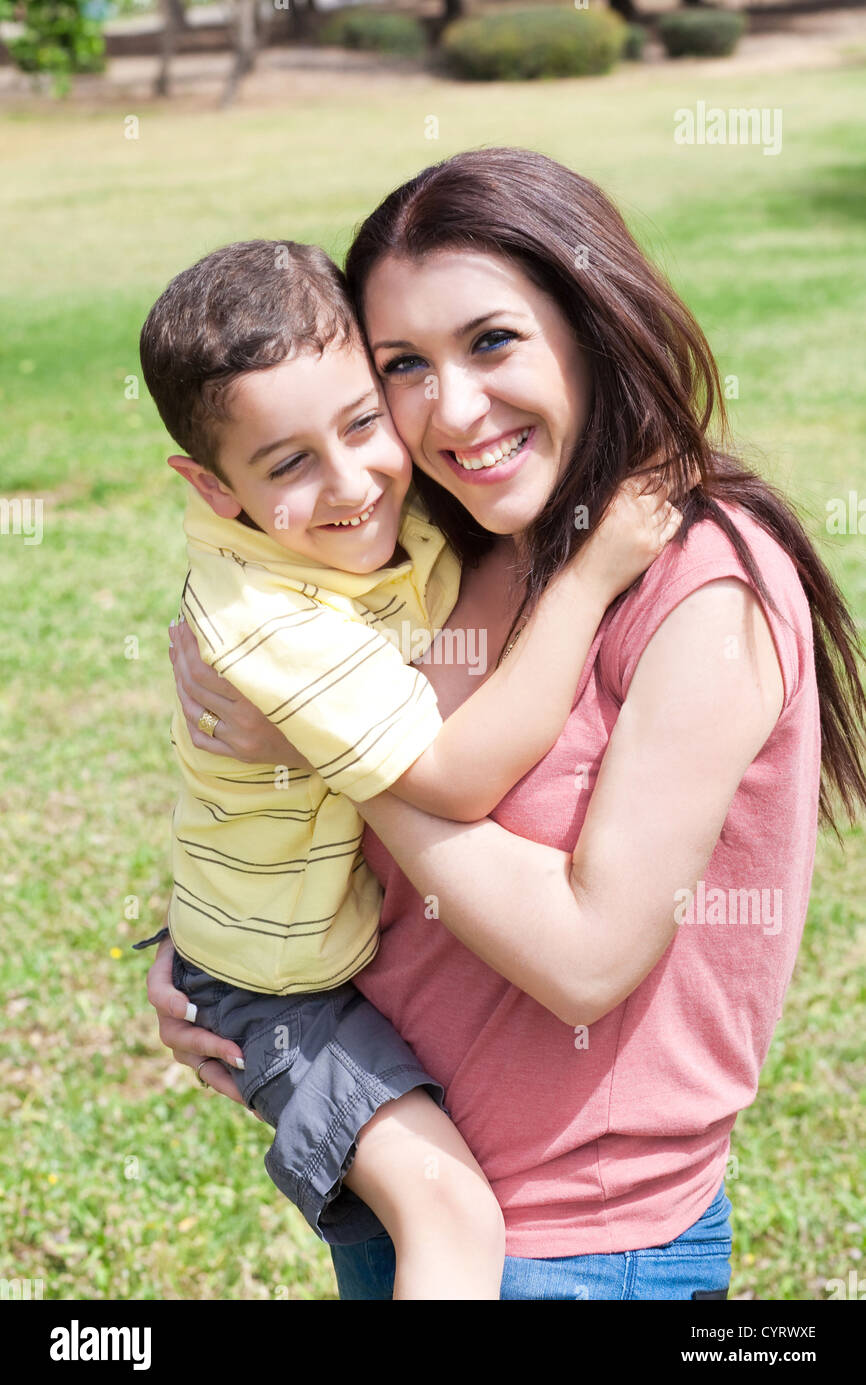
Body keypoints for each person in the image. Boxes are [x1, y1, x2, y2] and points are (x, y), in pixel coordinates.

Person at [148, 148, 866, 1301]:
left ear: (585, 322)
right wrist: (205, 953)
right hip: (398, 1196)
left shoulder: (699, 579)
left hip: (584, 1249)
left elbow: (585, 959)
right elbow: (285, 808)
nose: (454, 408)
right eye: (403, 367)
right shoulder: (440, 552)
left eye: (490, 341)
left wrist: (325, 752)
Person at [136, 236, 680, 1301]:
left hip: (290, 946)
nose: (354, 482)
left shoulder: (376, 526)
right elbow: (452, 776)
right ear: (210, 486)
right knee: (450, 1214)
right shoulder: (271, 620)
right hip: (273, 989)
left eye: (362, 421)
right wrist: (590, 577)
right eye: (287, 464)